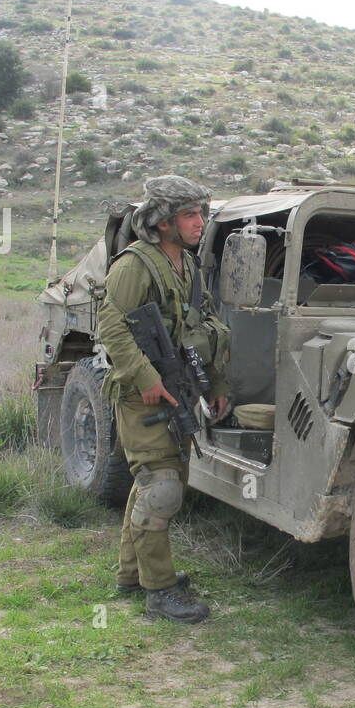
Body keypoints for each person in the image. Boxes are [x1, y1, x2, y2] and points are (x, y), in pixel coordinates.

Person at [95, 176, 231, 624]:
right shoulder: (135, 265)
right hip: (142, 396)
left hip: (178, 389)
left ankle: (132, 575)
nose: (200, 223)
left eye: (202, 214)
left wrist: (216, 385)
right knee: (162, 488)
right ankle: (160, 592)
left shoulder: (188, 266)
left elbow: (205, 326)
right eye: (191, 215)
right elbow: (111, 325)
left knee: (155, 483)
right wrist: (146, 377)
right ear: (164, 221)